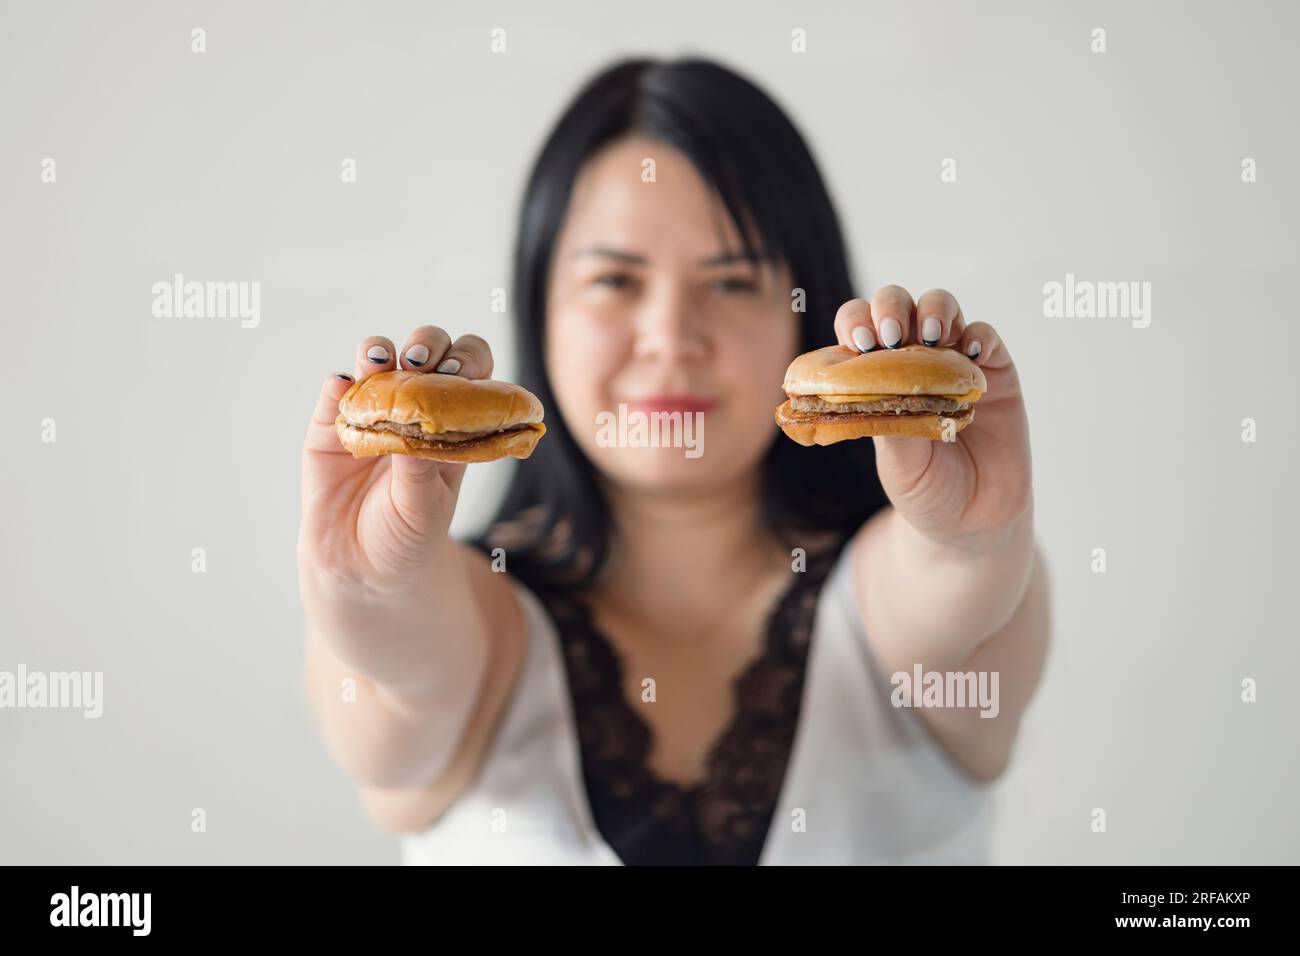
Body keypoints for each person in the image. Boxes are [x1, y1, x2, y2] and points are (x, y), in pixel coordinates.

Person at [297, 57, 1050, 865]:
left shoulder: (898, 596)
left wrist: (975, 537)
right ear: (540, 309)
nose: (671, 336)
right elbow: (402, 674)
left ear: (803, 310)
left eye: (730, 283)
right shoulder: (470, 619)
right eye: (615, 279)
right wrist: (368, 583)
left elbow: (961, 595)